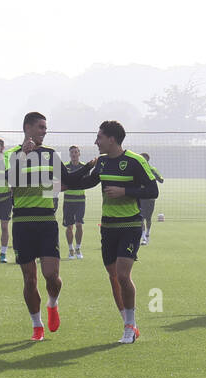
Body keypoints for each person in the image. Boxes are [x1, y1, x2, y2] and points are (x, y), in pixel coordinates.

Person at [61, 121, 159, 343]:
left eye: (99, 137)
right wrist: (65, 186)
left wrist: (125, 191)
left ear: (111, 139)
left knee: (124, 275)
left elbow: (153, 190)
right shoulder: (103, 162)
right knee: (114, 277)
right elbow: (89, 182)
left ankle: (129, 325)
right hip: (108, 227)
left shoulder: (135, 161)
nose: (96, 141)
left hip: (130, 225)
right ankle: (128, 322)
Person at [6, 112, 63, 340]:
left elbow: (60, 182)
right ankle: (37, 325)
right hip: (22, 223)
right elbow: (7, 182)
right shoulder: (11, 155)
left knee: (51, 275)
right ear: (27, 128)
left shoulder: (50, 154)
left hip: (46, 221)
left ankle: (52, 303)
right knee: (30, 279)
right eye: (41, 127)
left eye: (45, 127)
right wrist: (22, 155)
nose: (44, 131)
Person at [62, 145, 87, 259]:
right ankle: (70, 248)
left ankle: (78, 248)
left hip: (80, 200)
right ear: (70, 154)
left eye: (76, 152)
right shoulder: (65, 167)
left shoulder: (84, 167)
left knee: (79, 224)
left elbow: (87, 181)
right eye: (72, 152)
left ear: (79, 154)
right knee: (69, 226)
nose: (74, 154)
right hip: (68, 200)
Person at [137, 152, 165, 245]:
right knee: (140, 218)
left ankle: (148, 233)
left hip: (150, 198)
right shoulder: (137, 170)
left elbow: (161, 180)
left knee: (148, 218)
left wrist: (156, 177)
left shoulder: (152, 169)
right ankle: (143, 237)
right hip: (140, 197)